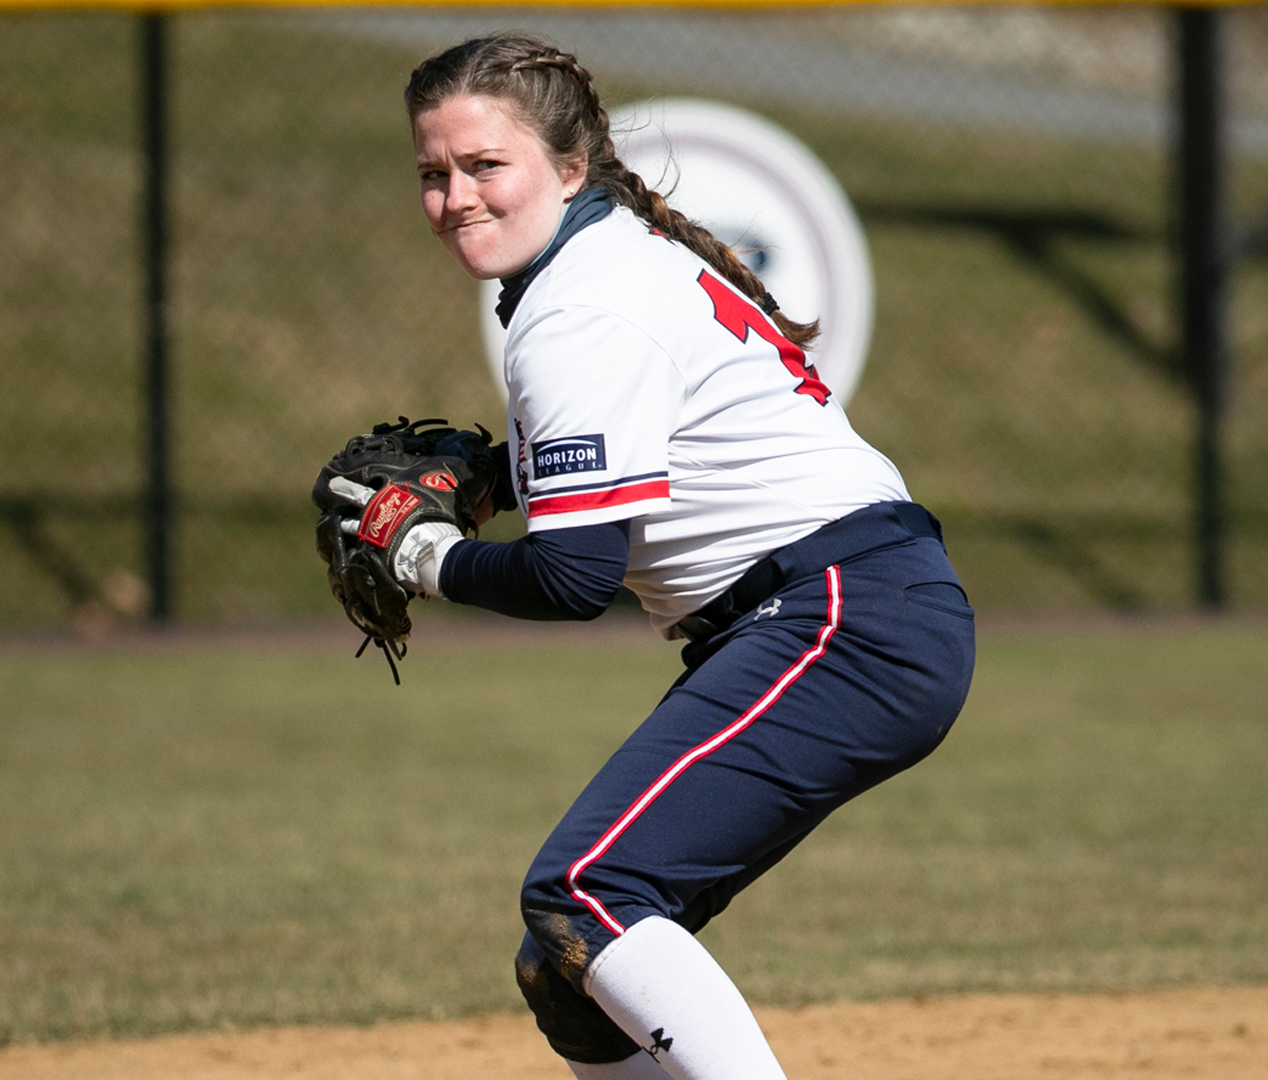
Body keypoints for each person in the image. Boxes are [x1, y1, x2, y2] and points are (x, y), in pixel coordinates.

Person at [393, 32, 976, 1080]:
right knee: (562, 961)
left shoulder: (580, 302)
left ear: (568, 166)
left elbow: (573, 579)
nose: (455, 196)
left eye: (485, 165)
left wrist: (424, 557)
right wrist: (502, 484)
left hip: (842, 618)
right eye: (434, 173)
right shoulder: (605, 259)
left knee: (584, 893)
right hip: (854, 608)